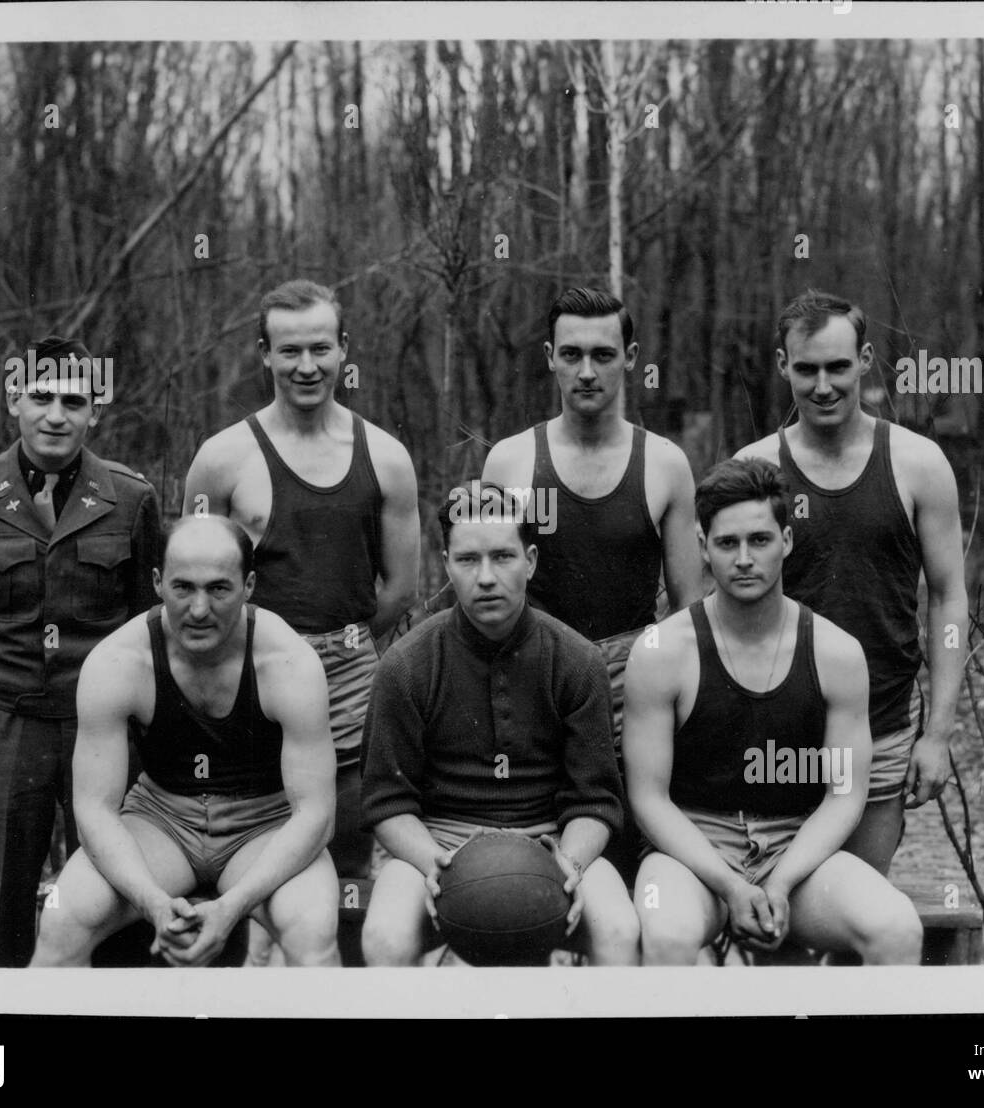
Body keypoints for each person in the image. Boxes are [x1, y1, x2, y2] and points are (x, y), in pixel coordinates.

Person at [0, 336, 163, 967]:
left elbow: (147, 622)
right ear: (12, 401)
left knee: (116, 910)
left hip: (100, 731)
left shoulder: (131, 500)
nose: (56, 414)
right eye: (40, 396)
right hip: (3, 725)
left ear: (95, 411)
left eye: (73, 400)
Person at [623, 459, 923, 965]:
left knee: (896, 928)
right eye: (727, 543)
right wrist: (729, 886)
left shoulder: (837, 653)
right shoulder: (662, 652)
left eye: (759, 540)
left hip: (796, 849)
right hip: (695, 851)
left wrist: (781, 881)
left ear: (786, 539)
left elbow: (844, 795)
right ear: (702, 547)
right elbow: (649, 799)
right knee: (668, 933)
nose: (744, 559)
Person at [182, 279, 420, 887]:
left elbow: (399, 587)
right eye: (289, 351)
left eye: (320, 349)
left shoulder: (386, 456)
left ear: (344, 350)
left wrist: (337, 647)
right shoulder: (221, 458)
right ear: (264, 353)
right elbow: (192, 584)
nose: (306, 367)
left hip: (348, 676)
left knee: (344, 862)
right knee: (231, 852)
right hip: (242, 673)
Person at [31, 516, 340, 967]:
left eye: (219, 589)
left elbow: (315, 814)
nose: (199, 610)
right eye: (183, 588)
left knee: (313, 936)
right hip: (161, 819)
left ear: (249, 585)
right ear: (157, 583)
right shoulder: (118, 661)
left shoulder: (289, 662)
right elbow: (94, 809)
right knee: (62, 923)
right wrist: (152, 901)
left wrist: (231, 907)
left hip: (263, 823)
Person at [735, 290, 968, 875]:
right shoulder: (754, 470)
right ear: (783, 366)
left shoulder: (918, 463)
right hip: (774, 738)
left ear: (865, 360)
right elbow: (722, 608)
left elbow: (947, 597)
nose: (823, 386)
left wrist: (937, 733)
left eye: (838, 366)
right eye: (807, 368)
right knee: (773, 923)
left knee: (858, 915)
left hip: (881, 730)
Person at [360, 482, 639, 966]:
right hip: (437, 840)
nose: (486, 577)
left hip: (552, 836)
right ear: (445, 563)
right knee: (385, 937)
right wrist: (436, 866)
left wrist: (567, 865)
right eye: (467, 560)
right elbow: (387, 802)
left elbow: (595, 799)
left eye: (503, 557)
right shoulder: (406, 665)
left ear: (530, 561)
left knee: (619, 929)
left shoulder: (577, 660)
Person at [483, 288, 705, 880]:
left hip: (632, 688)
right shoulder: (509, 461)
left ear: (630, 357)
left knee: (634, 867)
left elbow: (689, 611)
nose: (587, 371)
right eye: (572, 354)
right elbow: (489, 590)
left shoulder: (664, 464)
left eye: (604, 355)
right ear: (549, 356)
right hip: (532, 682)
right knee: (528, 871)